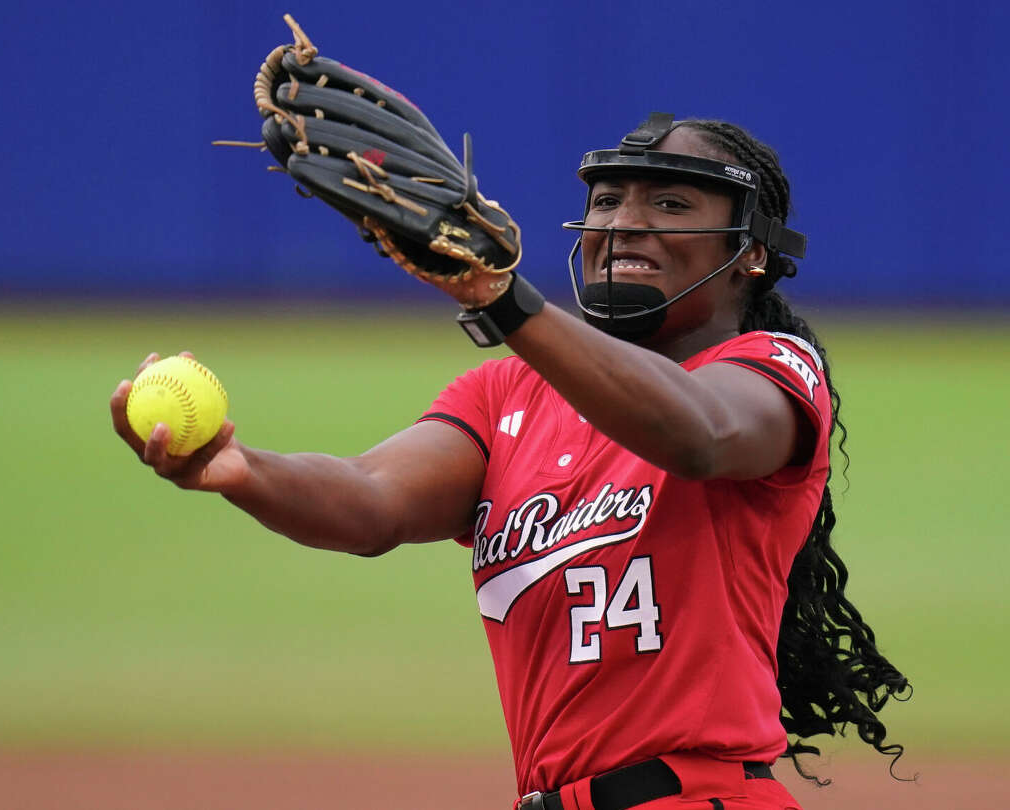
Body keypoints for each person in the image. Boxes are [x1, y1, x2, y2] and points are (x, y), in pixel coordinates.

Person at [110, 113, 909, 810]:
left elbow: (697, 434)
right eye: (607, 201)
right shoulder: (505, 396)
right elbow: (370, 499)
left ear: (751, 254)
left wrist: (504, 299)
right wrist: (244, 470)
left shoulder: (772, 371)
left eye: (670, 204)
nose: (625, 222)